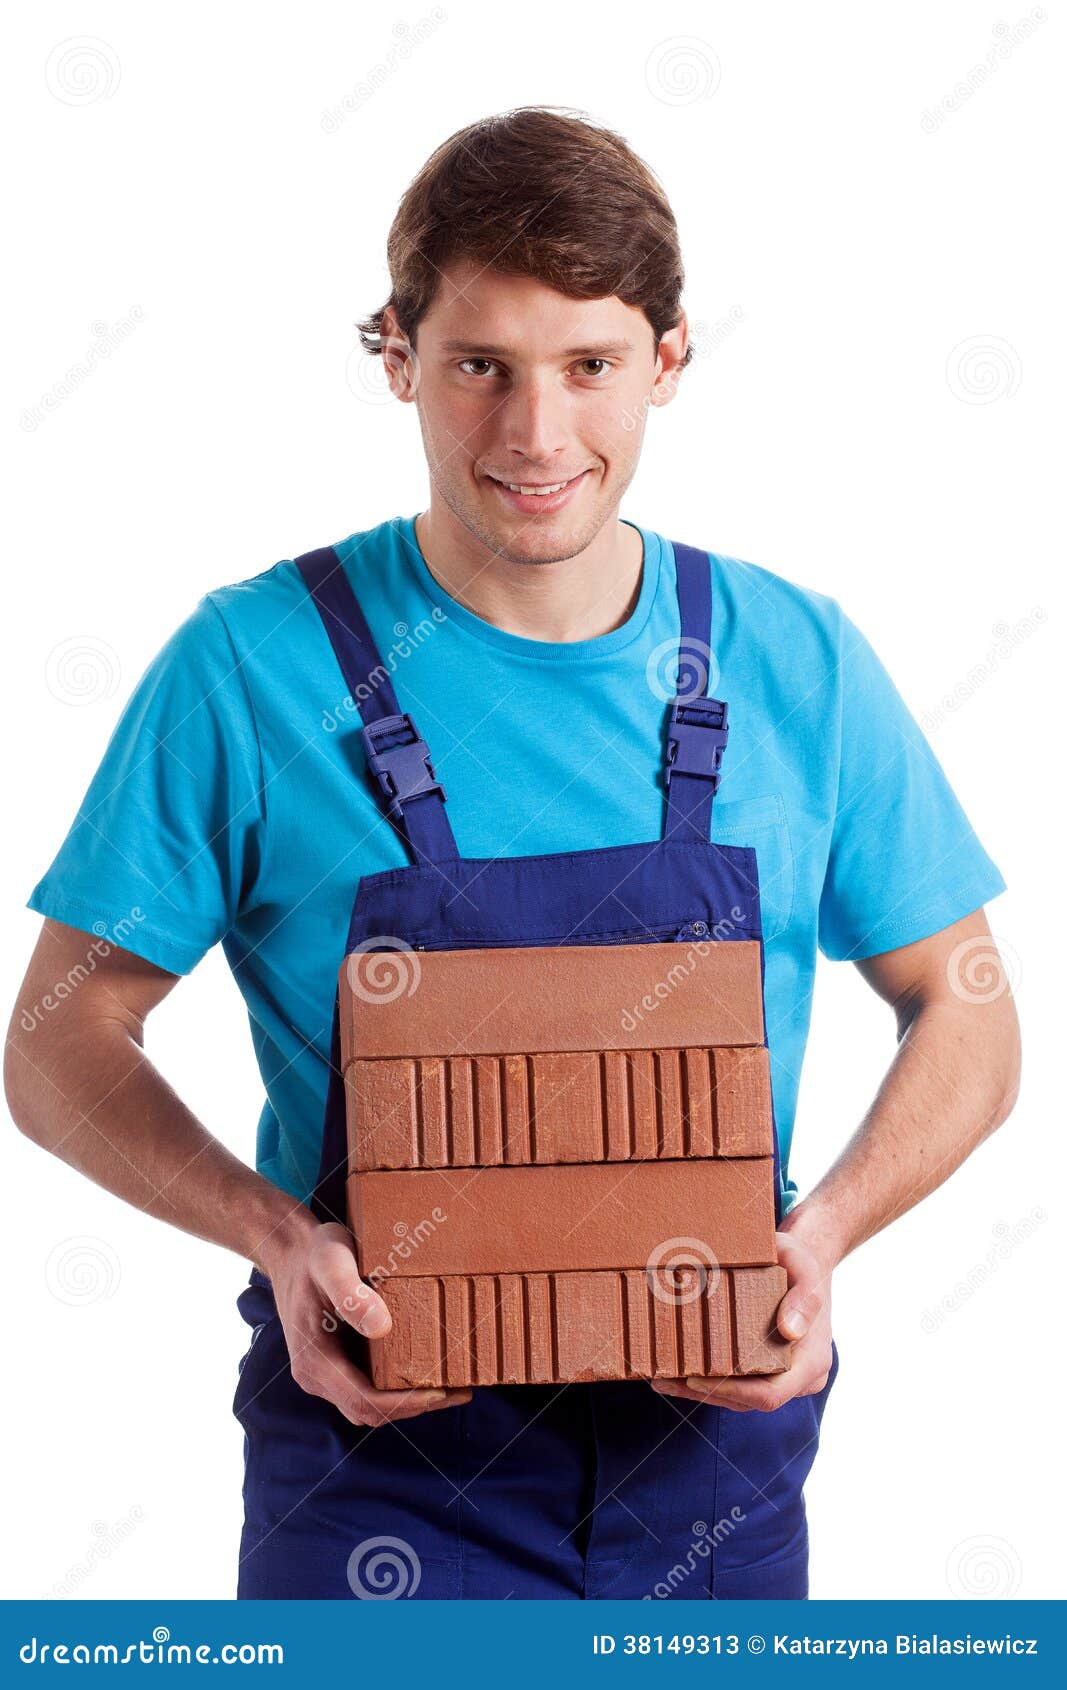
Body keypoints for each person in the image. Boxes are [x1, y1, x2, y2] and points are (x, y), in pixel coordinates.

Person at [6, 106, 1019, 1601]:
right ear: (398, 355)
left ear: (669, 359)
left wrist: (827, 1236)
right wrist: (276, 1239)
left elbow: (972, 1002)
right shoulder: (248, 667)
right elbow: (55, 1032)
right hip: (375, 1464)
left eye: (590, 365)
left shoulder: (795, 662)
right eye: (481, 365)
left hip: (719, 1477)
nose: (537, 434)